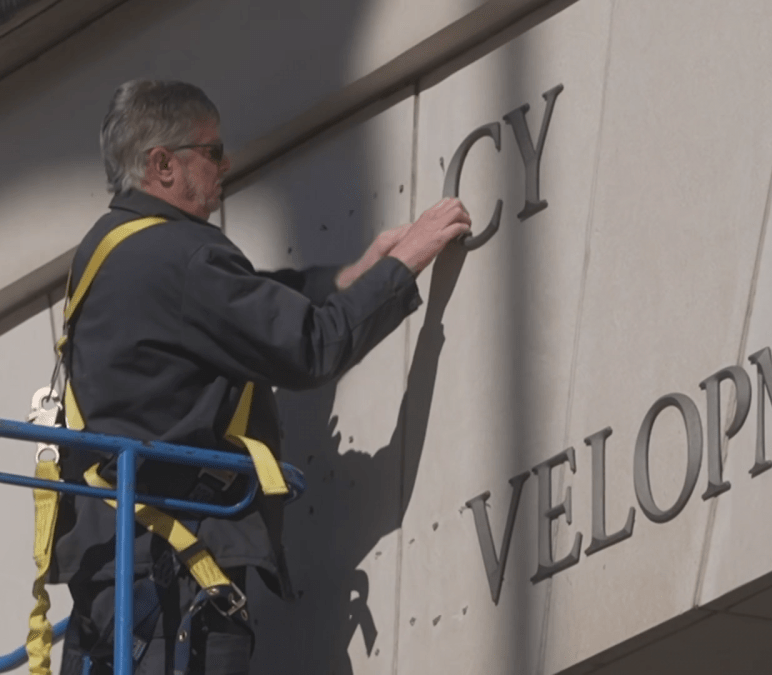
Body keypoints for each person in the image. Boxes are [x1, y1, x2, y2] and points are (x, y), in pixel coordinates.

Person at [49, 79, 471, 675]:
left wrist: (354, 276)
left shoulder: (104, 254)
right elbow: (309, 346)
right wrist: (406, 265)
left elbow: (245, 304)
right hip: (173, 594)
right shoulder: (183, 254)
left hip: (116, 587)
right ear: (162, 164)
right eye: (212, 151)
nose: (226, 163)